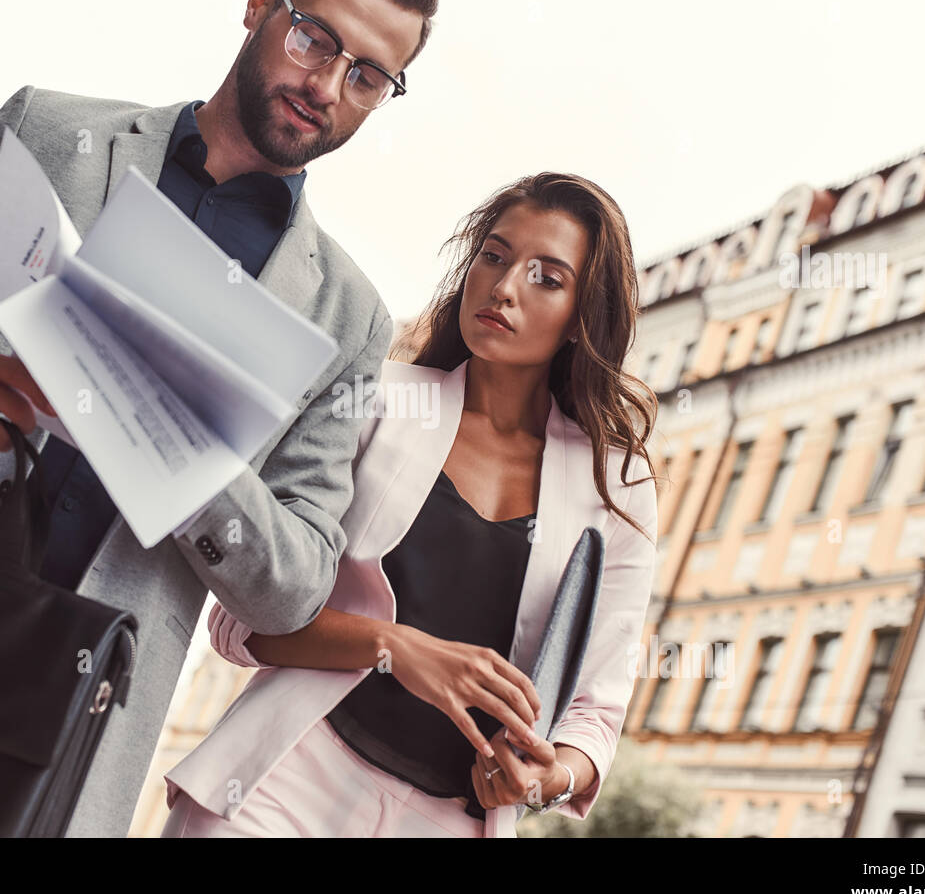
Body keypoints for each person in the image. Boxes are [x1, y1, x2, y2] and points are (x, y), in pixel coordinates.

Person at [0, 0, 439, 837]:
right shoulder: (44, 129)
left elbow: (299, 584)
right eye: (315, 36)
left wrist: (188, 454)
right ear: (259, 3)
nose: (326, 86)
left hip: (65, 731)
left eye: (366, 77)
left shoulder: (349, 321)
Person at [163, 172, 661, 837]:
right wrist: (394, 648)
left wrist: (543, 776)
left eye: (547, 277)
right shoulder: (374, 402)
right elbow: (240, 619)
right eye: (494, 254)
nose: (505, 287)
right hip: (281, 784)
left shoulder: (616, 488)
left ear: (581, 319)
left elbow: (595, 710)